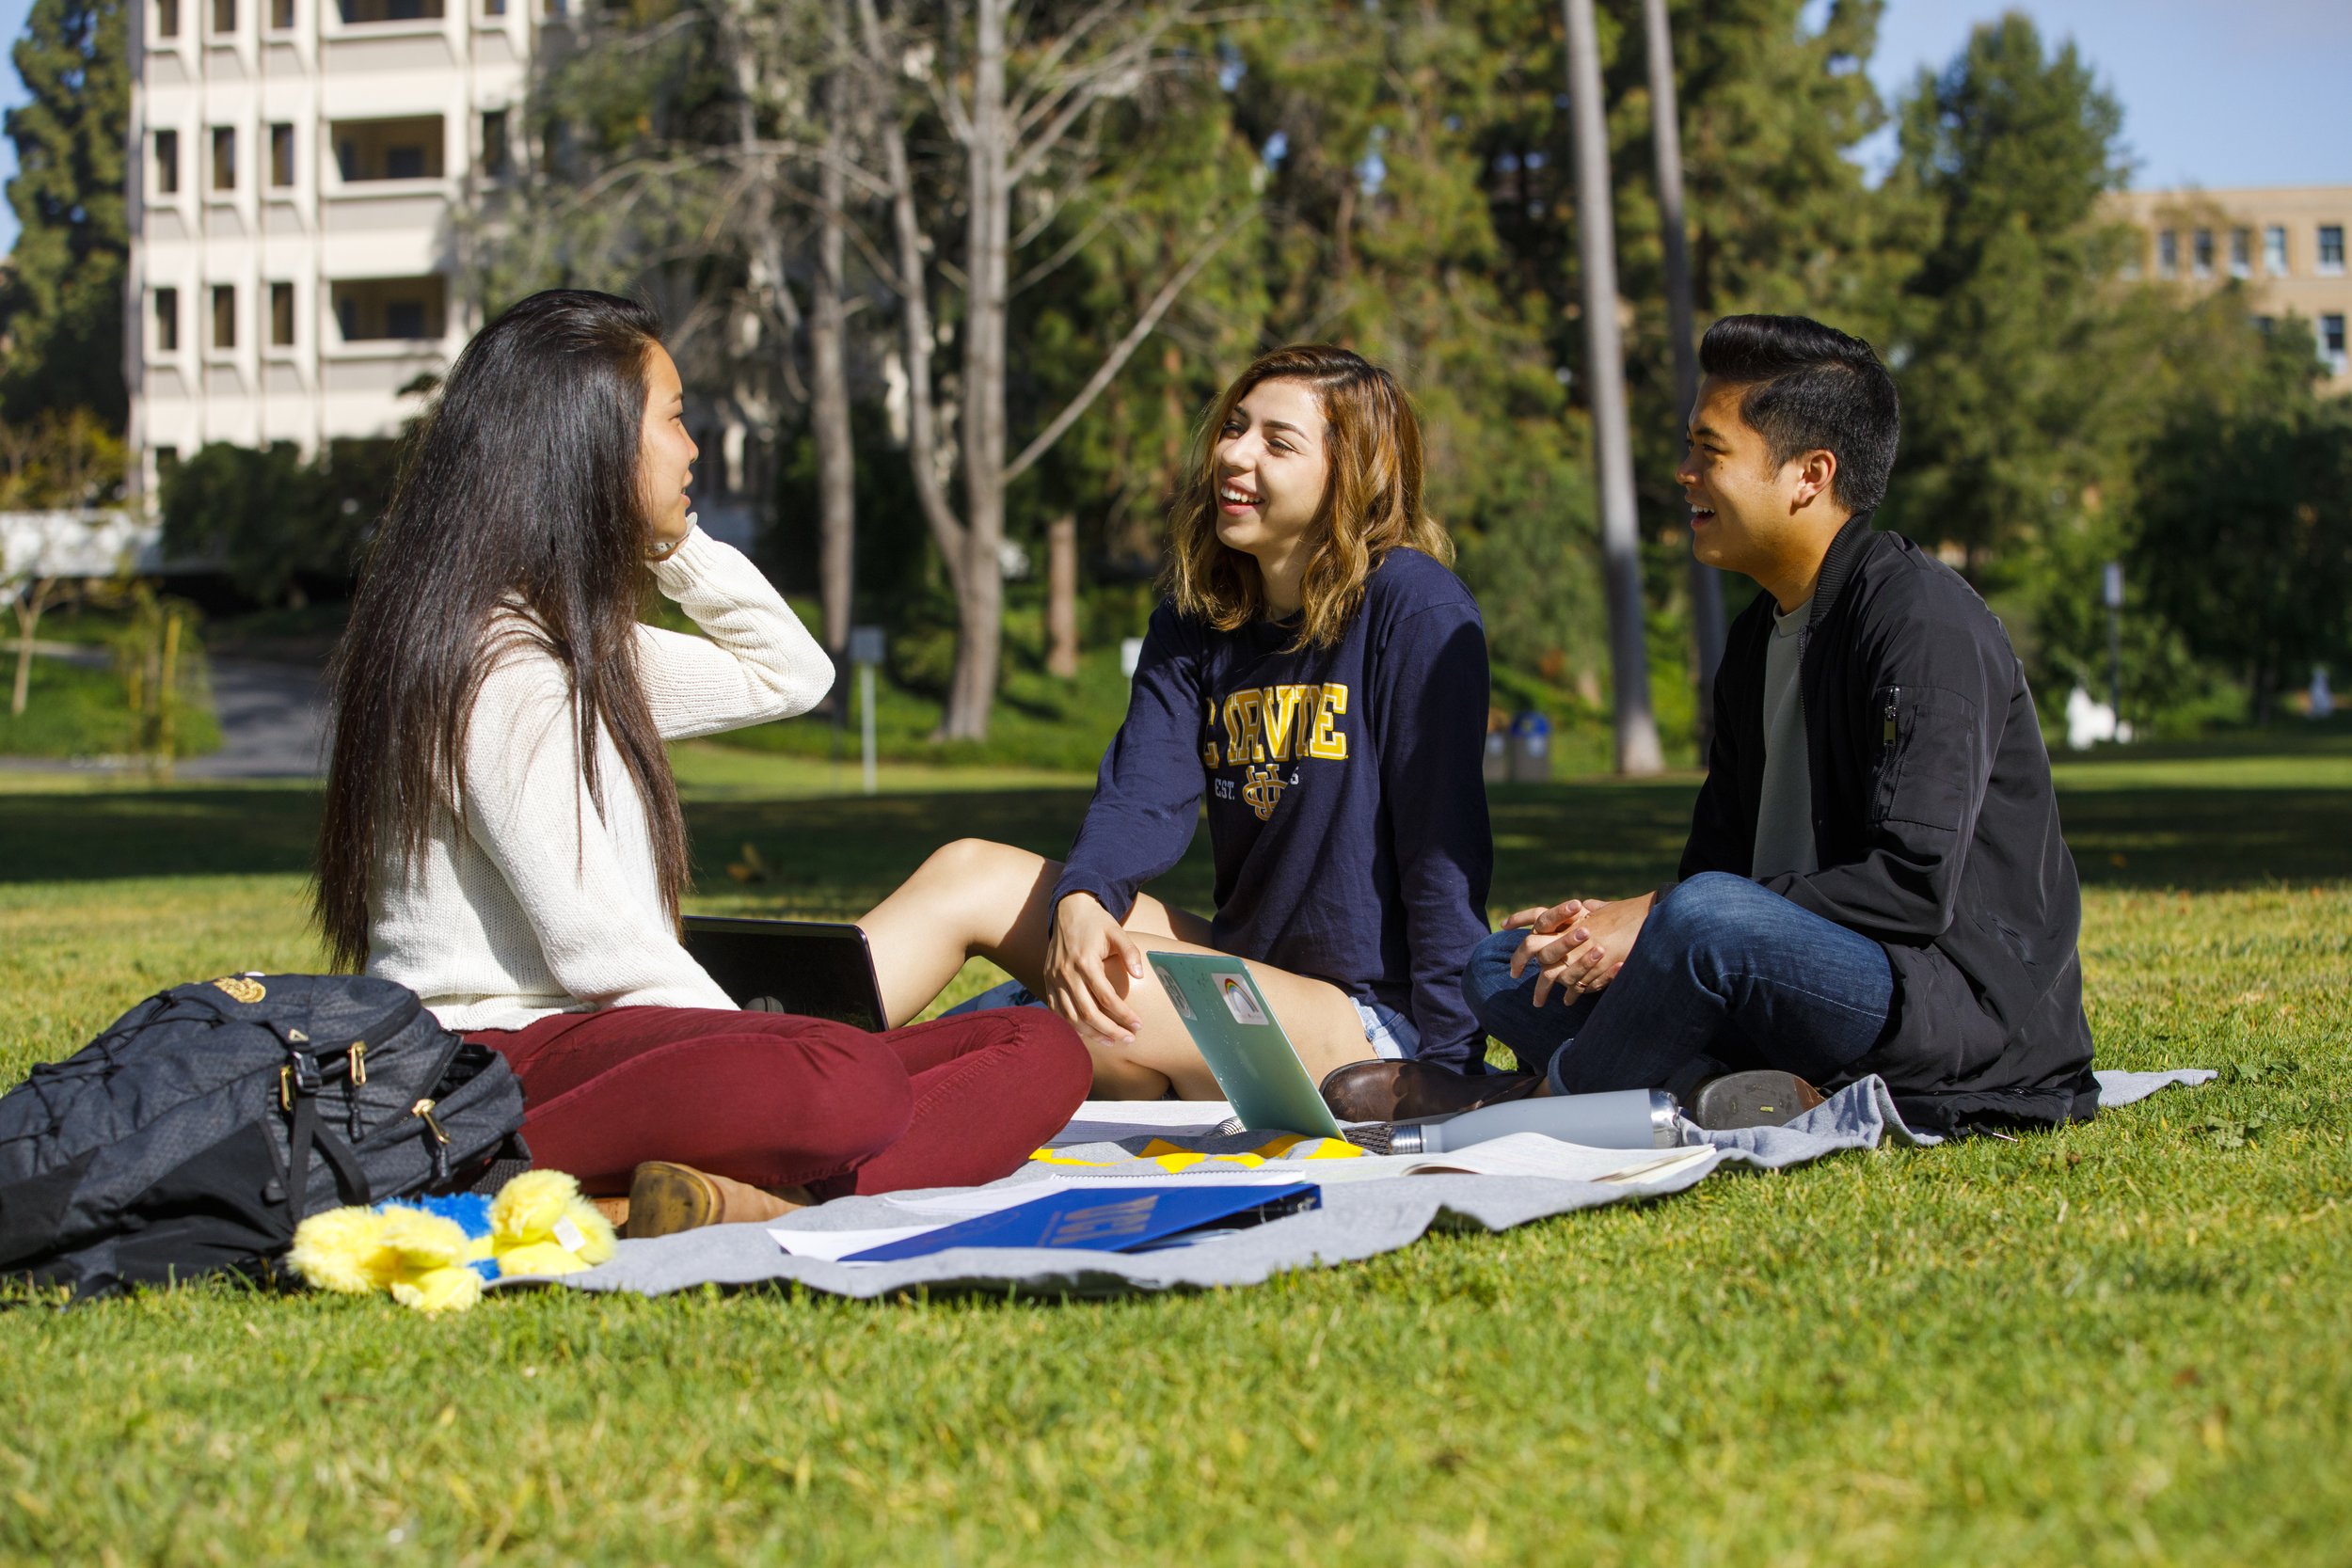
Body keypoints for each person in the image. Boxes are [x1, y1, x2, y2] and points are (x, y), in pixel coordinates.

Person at [312, 290, 1090, 1236]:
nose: (692, 451)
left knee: (1037, 1043)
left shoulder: (575, 645)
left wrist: (673, 542)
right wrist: (768, 1043)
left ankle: (743, 1195)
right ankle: (518, 1170)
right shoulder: (499, 664)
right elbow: (600, 947)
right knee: (841, 1080)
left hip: (606, 1038)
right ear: (591, 442)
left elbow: (790, 674)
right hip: (494, 1063)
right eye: (674, 419)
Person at [1464, 314, 2096, 1133]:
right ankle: (1717, 1092)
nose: (1685, 474)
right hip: (1774, 979)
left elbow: (1911, 886)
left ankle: (1556, 1109)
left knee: (1702, 919)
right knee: (1507, 963)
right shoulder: (1755, 639)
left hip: (1946, 1008)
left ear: (1810, 474)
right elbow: (1715, 870)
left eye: (1710, 451)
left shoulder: (1923, 622)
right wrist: (1607, 930)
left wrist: (1657, 914)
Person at [857, 345, 1499, 1111]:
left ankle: (844, 1093)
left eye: (1277, 442)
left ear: (1353, 474)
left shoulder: (1415, 607)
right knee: (970, 874)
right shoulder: (1197, 618)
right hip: (1248, 969)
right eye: (1234, 427)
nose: (1234, 454)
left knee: (1100, 997)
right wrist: (1083, 899)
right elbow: (1140, 795)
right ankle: (768, 1048)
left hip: (1371, 1026)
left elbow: (1443, 854)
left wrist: (1450, 1067)